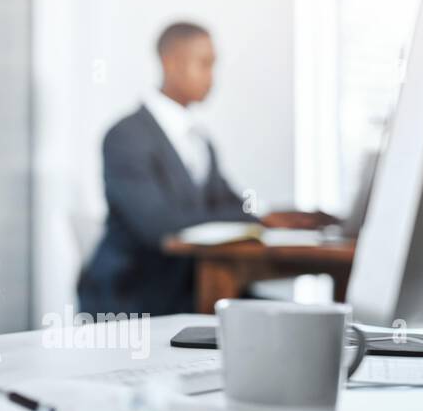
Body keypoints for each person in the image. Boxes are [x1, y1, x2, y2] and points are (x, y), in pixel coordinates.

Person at [78, 21, 335, 317]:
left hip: (197, 286)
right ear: (171, 63)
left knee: (304, 320)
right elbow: (158, 224)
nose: (212, 78)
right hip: (135, 294)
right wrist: (258, 219)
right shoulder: (126, 136)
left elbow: (226, 201)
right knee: (280, 325)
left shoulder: (199, 139)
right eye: (205, 65)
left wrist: (274, 216)